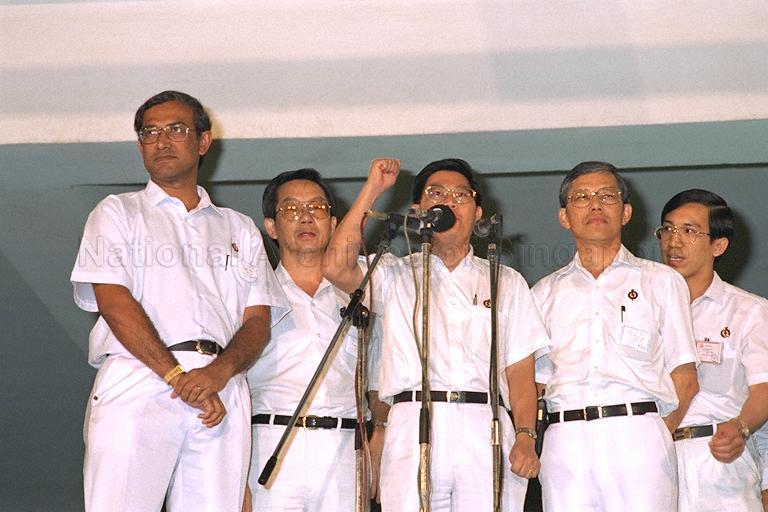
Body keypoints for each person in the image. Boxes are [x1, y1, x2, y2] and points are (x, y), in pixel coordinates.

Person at [70, 90, 287, 512]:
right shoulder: (116, 212)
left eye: (176, 129)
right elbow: (113, 300)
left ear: (203, 142)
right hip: (139, 379)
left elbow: (258, 319)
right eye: (149, 132)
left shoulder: (240, 228)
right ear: (139, 146)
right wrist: (176, 376)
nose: (162, 140)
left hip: (222, 388)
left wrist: (216, 375)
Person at [322, 158, 550, 511]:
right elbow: (336, 266)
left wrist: (525, 436)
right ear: (418, 211)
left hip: (485, 423)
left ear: (477, 213)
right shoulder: (394, 274)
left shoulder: (506, 281)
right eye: (436, 193)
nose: (450, 201)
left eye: (462, 194)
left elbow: (519, 372)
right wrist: (373, 190)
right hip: (413, 422)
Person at [531, 161, 699, 511]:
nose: (595, 204)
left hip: (638, 435)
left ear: (625, 212)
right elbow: (535, 384)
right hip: (566, 439)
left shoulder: (661, 281)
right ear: (564, 216)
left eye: (607, 196)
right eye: (582, 197)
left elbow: (685, 376)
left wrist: (650, 431)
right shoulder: (543, 292)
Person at [243, 168, 387, 510]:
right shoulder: (250, 295)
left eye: (318, 208)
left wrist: (380, 433)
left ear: (335, 223)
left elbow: (381, 373)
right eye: (291, 209)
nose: (306, 217)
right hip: (269, 444)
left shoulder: (362, 292)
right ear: (271, 226)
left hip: (346, 448)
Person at [656, 188, 768, 511]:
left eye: (688, 231)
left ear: (718, 245)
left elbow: (763, 389)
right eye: (668, 228)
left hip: (721, 459)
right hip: (656, 462)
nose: (673, 241)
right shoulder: (644, 309)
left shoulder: (749, 311)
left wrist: (741, 427)